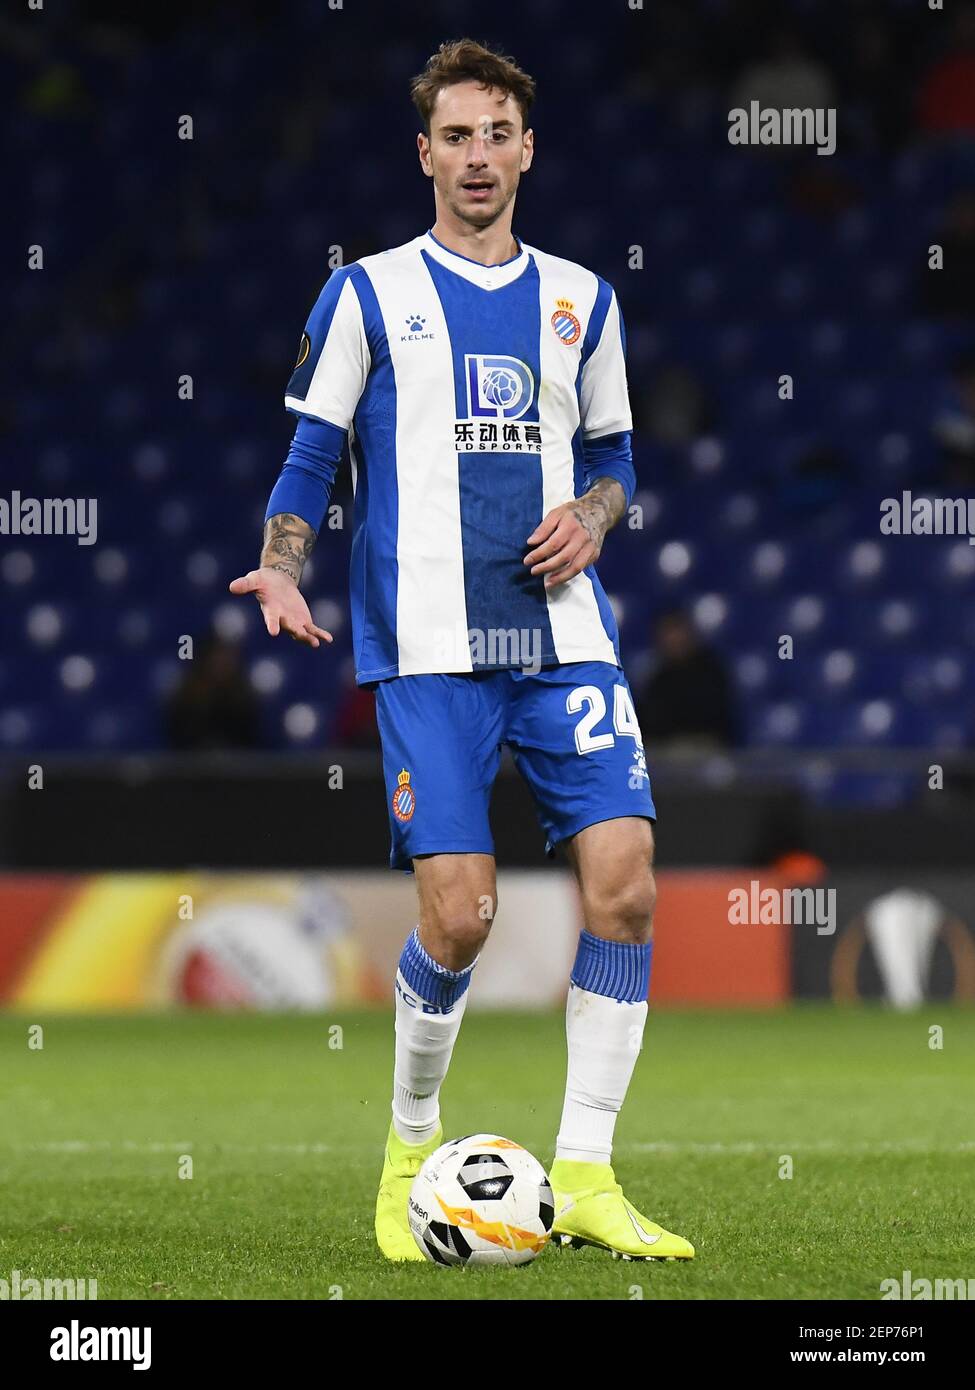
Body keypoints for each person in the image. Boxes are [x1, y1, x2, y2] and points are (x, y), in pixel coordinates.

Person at [230, 38, 693, 1264]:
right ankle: (405, 1150)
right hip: (429, 645)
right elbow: (312, 455)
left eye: (499, 135)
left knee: (629, 879)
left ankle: (587, 1168)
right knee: (463, 913)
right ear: (423, 152)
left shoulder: (585, 300)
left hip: (563, 643)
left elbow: (617, 465)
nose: (478, 156)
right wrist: (283, 559)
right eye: (457, 136)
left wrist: (590, 522)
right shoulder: (368, 295)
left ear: (527, 149)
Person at [637, 611, 737, 752]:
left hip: (703, 743)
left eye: (676, 632)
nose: (673, 639)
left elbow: (713, 715)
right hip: (663, 746)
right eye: (667, 634)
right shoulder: (659, 676)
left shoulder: (710, 669)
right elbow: (650, 719)